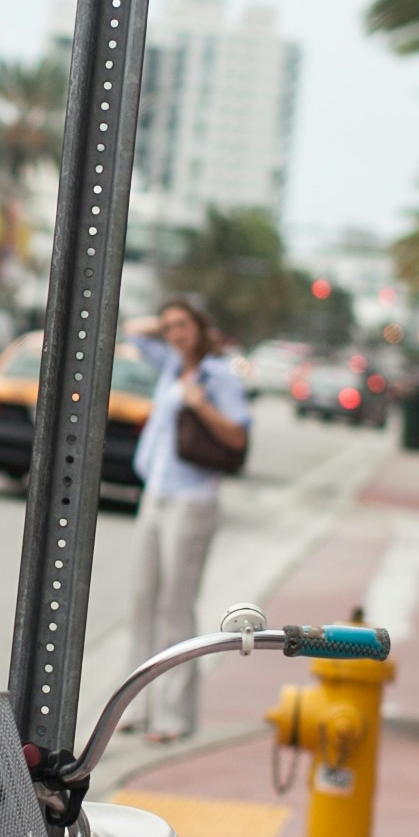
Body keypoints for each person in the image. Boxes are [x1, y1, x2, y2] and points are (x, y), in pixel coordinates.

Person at [124, 299, 252, 744]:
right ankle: (137, 707)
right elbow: (132, 332)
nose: (174, 333)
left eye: (183, 325)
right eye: (169, 326)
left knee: (175, 608)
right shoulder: (169, 366)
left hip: (192, 500)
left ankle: (173, 716)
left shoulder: (218, 376)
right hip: (155, 495)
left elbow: (237, 435)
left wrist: (200, 405)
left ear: (201, 327)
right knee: (143, 602)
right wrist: (164, 331)